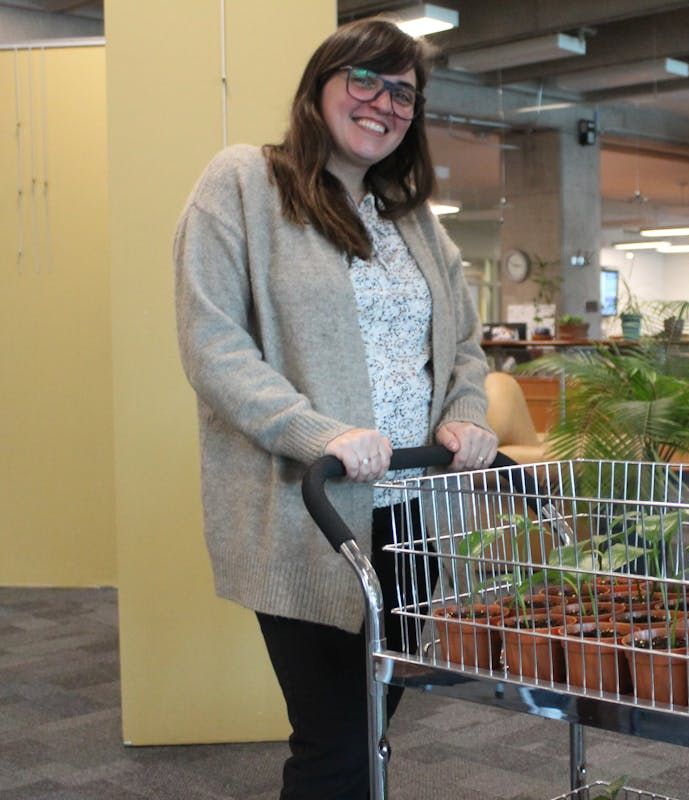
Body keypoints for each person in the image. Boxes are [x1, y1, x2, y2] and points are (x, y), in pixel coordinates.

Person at [173, 18, 497, 799]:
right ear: (319, 87)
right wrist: (323, 433)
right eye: (366, 80)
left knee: (367, 727)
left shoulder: (412, 220)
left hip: (411, 507)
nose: (384, 104)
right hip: (311, 510)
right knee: (336, 744)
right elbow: (211, 344)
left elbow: (462, 345)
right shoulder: (243, 182)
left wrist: (466, 411)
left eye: (404, 95)